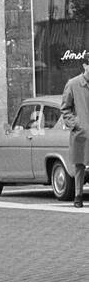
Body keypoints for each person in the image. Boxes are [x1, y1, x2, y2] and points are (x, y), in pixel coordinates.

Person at [60, 56, 89, 208]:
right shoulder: (73, 84)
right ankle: (78, 196)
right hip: (81, 133)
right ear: (85, 65)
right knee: (79, 166)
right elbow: (65, 108)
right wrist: (75, 124)